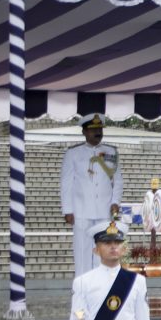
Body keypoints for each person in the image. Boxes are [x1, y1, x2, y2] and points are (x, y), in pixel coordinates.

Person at [60, 114, 121, 276]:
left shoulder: (111, 152)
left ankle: (101, 283)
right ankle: (82, 284)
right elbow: (67, 183)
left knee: (104, 248)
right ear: (84, 132)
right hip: (81, 209)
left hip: (104, 209)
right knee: (82, 249)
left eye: (100, 129)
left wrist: (115, 201)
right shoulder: (73, 153)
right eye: (94, 130)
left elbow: (117, 180)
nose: (98, 132)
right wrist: (67, 210)